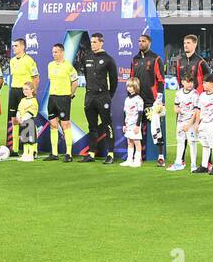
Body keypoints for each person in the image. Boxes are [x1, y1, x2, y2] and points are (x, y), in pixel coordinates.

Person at [83, 32, 119, 164]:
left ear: (101, 43)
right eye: (91, 42)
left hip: (102, 97)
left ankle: (110, 154)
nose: (92, 44)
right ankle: (91, 153)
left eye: (95, 42)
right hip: (89, 96)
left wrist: (108, 96)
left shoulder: (108, 59)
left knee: (107, 125)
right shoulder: (87, 58)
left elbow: (114, 81)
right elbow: (86, 77)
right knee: (92, 126)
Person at [130, 33, 165, 166]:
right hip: (138, 100)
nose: (141, 43)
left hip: (152, 101)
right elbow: (132, 80)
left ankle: (160, 157)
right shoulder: (135, 59)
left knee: (156, 129)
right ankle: (138, 156)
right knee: (136, 128)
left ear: (149, 43)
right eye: (139, 41)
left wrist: (159, 98)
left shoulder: (156, 59)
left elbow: (161, 80)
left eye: (143, 41)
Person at [45, 43, 77, 162]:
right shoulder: (50, 65)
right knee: (53, 124)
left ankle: (69, 154)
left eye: (56, 52)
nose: (54, 54)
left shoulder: (68, 66)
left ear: (62, 52)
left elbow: (75, 82)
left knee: (65, 125)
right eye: (53, 52)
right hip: (52, 98)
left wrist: (70, 95)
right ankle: (54, 153)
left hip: (63, 98)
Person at [7, 38, 39, 150]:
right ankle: (15, 149)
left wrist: (33, 92)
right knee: (14, 120)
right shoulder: (12, 61)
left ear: (22, 47)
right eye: (13, 46)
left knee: (28, 120)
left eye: (16, 46)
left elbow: (35, 78)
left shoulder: (29, 60)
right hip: (13, 91)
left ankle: (33, 149)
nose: (13, 47)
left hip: (24, 92)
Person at [169, 74, 200, 173]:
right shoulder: (178, 93)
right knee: (180, 141)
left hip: (190, 122)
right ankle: (178, 163)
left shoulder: (195, 94)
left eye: (191, 82)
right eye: (188, 82)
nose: (190, 84)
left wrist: (189, 124)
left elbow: (196, 111)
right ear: (182, 82)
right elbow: (175, 107)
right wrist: (177, 110)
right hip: (180, 121)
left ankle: (193, 165)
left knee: (192, 142)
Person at [195, 77, 213, 176]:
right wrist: (197, 123)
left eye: (205, 83)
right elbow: (199, 110)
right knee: (205, 145)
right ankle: (204, 165)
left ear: (212, 84)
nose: (203, 85)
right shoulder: (202, 95)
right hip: (203, 123)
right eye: (203, 83)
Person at [122, 78, 145, 167]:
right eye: (128, 86)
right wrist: (124, 124)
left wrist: (137, 125)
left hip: (135, 124)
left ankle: (138, 160)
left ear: (136, 87)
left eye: (131, 86)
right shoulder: (127, 99)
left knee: (136, 142)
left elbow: (140, 113)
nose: (129, 88)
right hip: (128, 124)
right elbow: (125, 112)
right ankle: (129, 159)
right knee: (129, 141)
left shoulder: (139, 99)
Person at [16, 82, 39, 161]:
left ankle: (31, 155)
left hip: (30, 122)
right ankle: (25, 154)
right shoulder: (23, 100)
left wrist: (22, 119)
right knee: (24, 139)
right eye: (23, 89)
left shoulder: (34, 101)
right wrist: (18, 116)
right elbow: (19, 110)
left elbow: (30, 113)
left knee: (30, 140)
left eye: (26, 89)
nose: (24, 91)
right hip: (22, 122)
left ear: (32, 90)